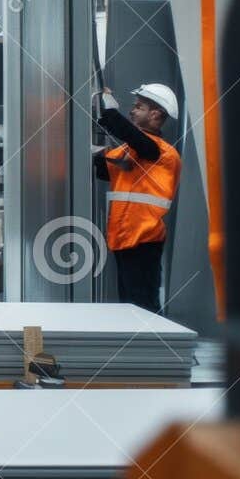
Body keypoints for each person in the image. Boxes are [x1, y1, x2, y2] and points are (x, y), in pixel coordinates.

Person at [94, 84, 182, 314]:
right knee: (130, 306)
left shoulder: (161, 152)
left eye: (139, 107)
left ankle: (153, 348)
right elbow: (102, 168)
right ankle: (137, 348)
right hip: (123, 237)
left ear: (155, 115)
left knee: (143, 305)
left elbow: (134, 137)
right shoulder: (129, 150)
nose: (133, 111)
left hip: (144, 238)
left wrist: (111, 113)